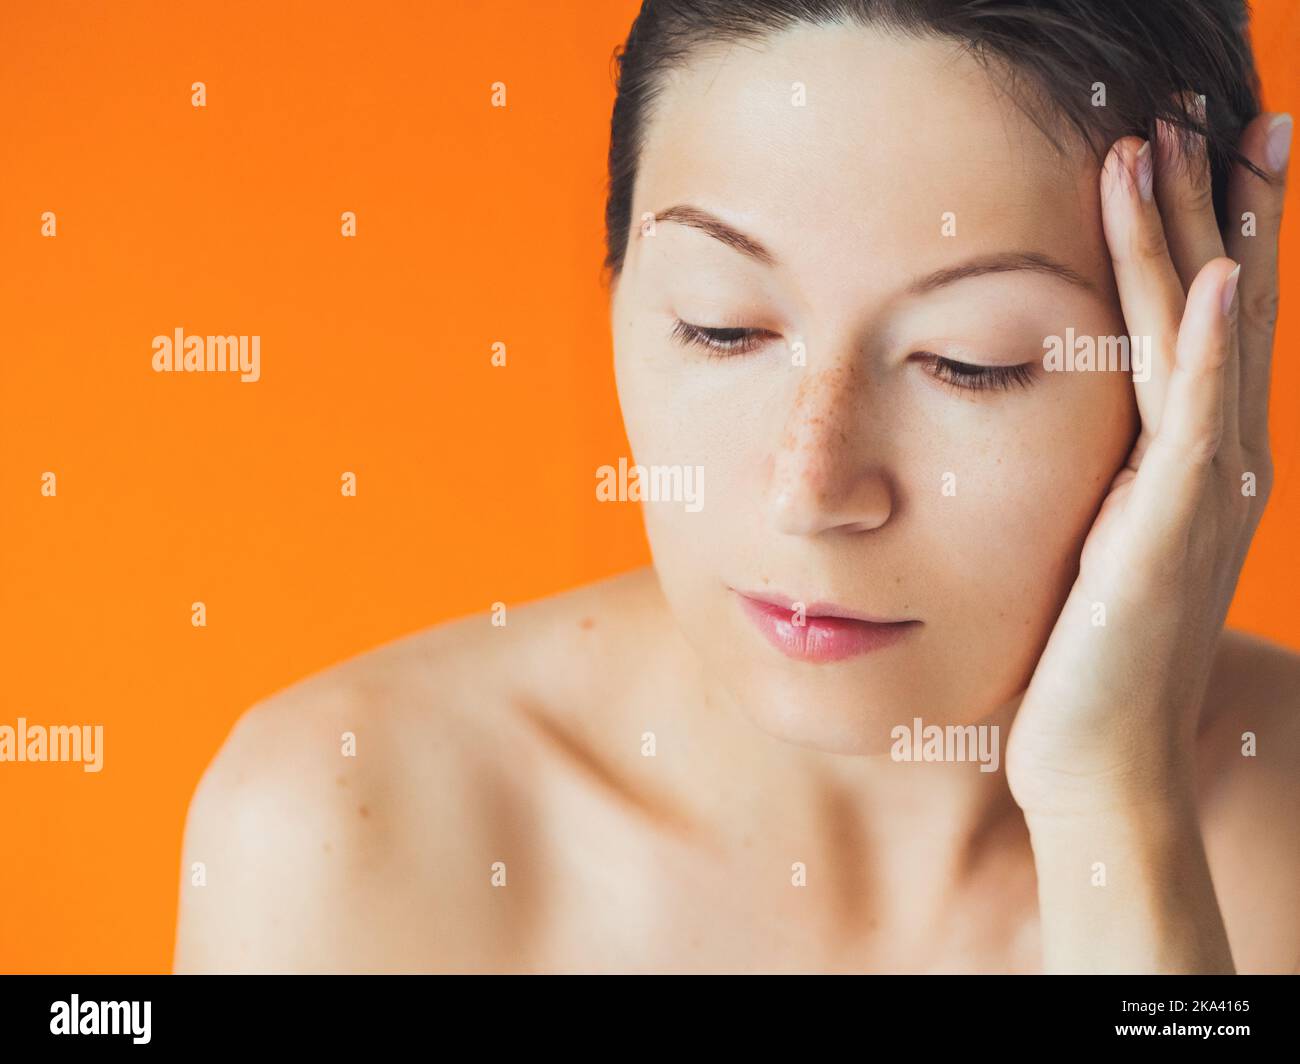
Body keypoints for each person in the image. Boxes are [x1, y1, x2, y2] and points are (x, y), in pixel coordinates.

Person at [173, 0, 1298, 973]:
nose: (809, 489)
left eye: (972, 358)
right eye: (721, 327)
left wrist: (1113, 809)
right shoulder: (339, 829)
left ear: (1199, 362)